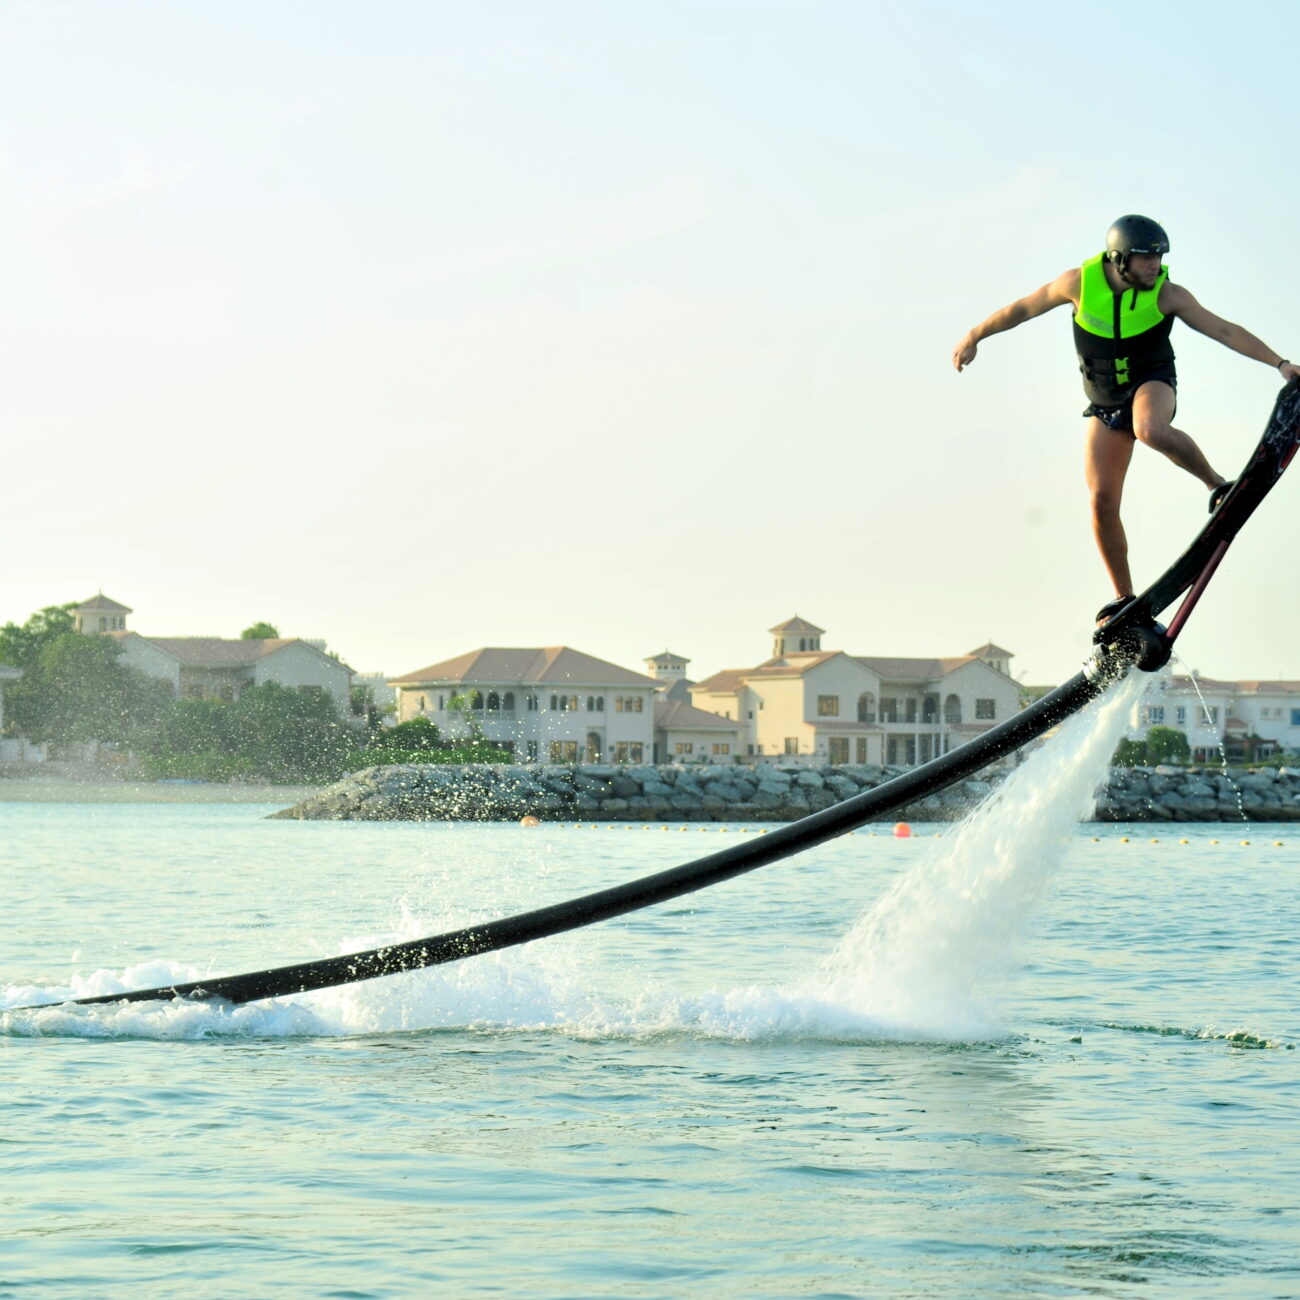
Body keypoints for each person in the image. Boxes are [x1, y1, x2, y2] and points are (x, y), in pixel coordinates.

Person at [952, 214, 1298, 623]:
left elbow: (1224, 331)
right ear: (1119, 259)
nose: (1155, 265)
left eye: (1158, 257)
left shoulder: (1168, 294)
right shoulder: (1077, 284)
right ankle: (1124, 599)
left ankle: (1218, 485)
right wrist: (974, 335)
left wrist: (1280, 363)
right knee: (1101, 502)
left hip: (1152, 382)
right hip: (1104, 402)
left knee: (1149, 429)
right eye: (1145, 258)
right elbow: (1023, 308)